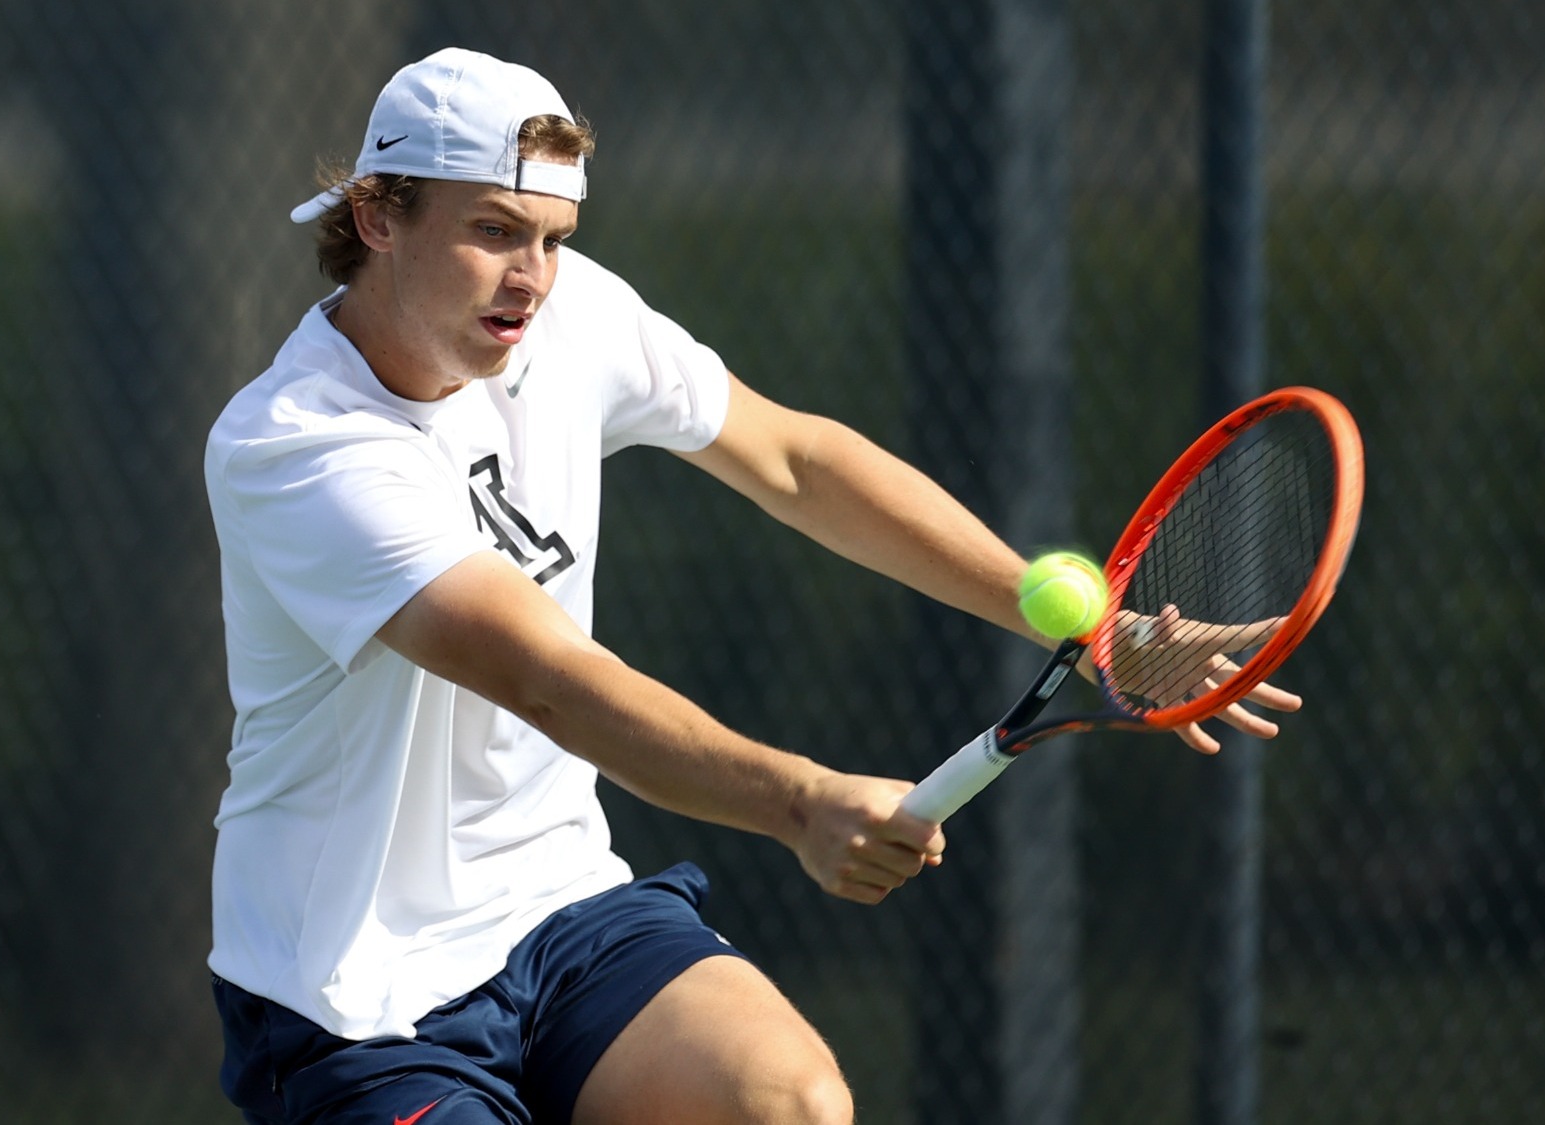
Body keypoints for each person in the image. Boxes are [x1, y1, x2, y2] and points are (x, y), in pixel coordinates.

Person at [203, 47, 1298, 1125]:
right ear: (378, 217)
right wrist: (800, 801)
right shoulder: (298, 447)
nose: (531, 276)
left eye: (552, 237)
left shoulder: (570, 318)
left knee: (788, 1103)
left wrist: (1091, 626)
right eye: (493, 231)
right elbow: (551, 682)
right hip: (359, 993)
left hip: (557, 908)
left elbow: (795, 460)